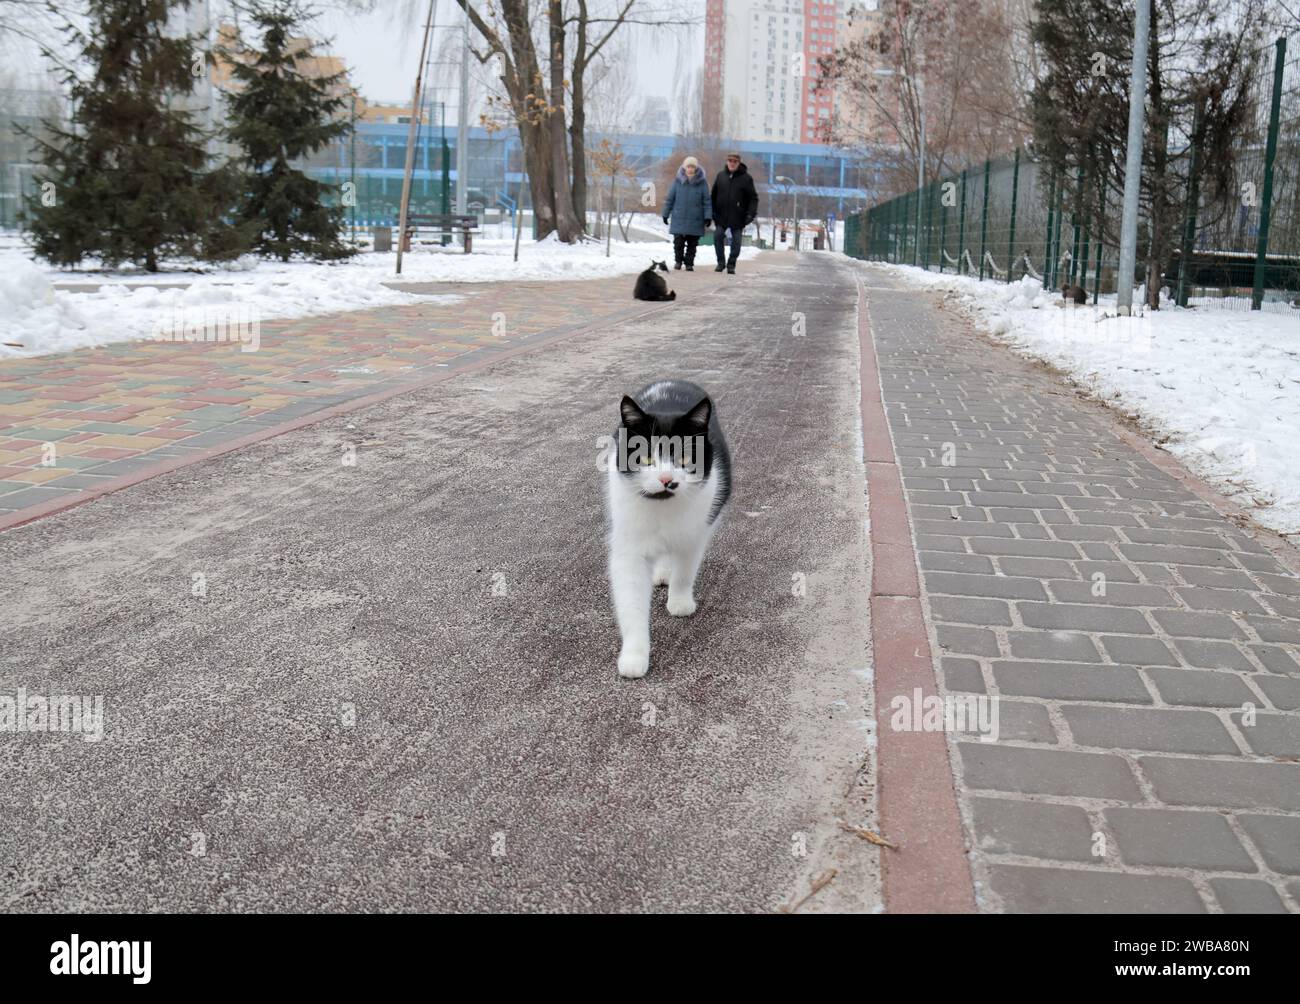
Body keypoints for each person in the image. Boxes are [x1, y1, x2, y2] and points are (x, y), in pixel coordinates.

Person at [710, 152, 758, 274]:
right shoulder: (721, 176)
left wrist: (750, 215)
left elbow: (753, 198)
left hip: (738, 216)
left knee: (736, 242)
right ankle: (721, 263)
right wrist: (712, 212)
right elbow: (713, 195)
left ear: (738, 163)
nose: (732, 163)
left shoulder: (746, 178)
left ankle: (731, 264)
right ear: (727, 162)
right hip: (721, 216)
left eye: (734, 161)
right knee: (718, 236)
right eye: (730, 161)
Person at [661, 156, 711, 271]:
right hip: (679, 217)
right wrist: (665, 213)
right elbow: (670, 199)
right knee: (678, 243)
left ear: (696, 168)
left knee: (692, 244)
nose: (690, 169)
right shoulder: (677, 182)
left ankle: (689, 263)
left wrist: (707, 216)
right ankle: (678, 261)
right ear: (684, 167)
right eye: (688, 166)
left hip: (696, 219)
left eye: (692, 167)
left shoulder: (702, 183)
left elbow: (707, 201)